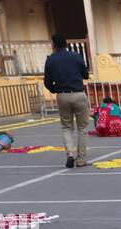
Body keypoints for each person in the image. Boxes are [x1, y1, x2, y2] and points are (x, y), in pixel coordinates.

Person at [44, 33, 91, 168]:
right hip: (78, 94)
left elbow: (47, 82)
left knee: (66, 127)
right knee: (82, 128)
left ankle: (70, 154)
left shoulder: (51, 60)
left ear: (54, 45)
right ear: (66, 43)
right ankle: (81, 159)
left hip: (62, 95)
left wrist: (55, 89)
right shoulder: (76, 56)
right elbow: (85, 75)